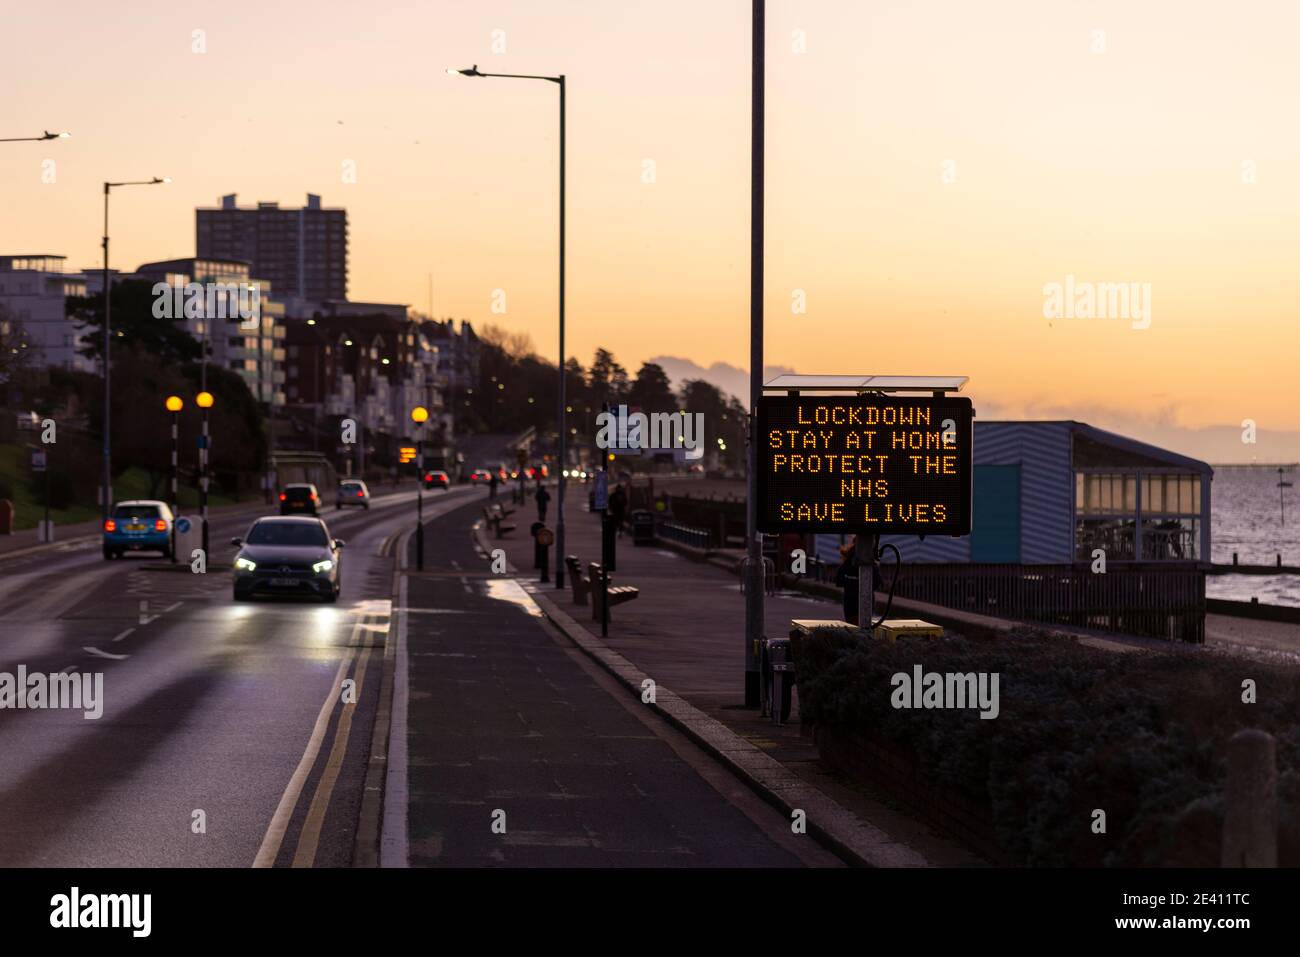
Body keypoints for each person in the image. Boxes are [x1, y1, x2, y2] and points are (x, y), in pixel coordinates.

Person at [834, 541, 859, 625]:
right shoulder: (847, 564)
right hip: (852, 601)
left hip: (850, 601)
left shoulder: (847, 563)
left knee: (853, 625)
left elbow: (839, 581)